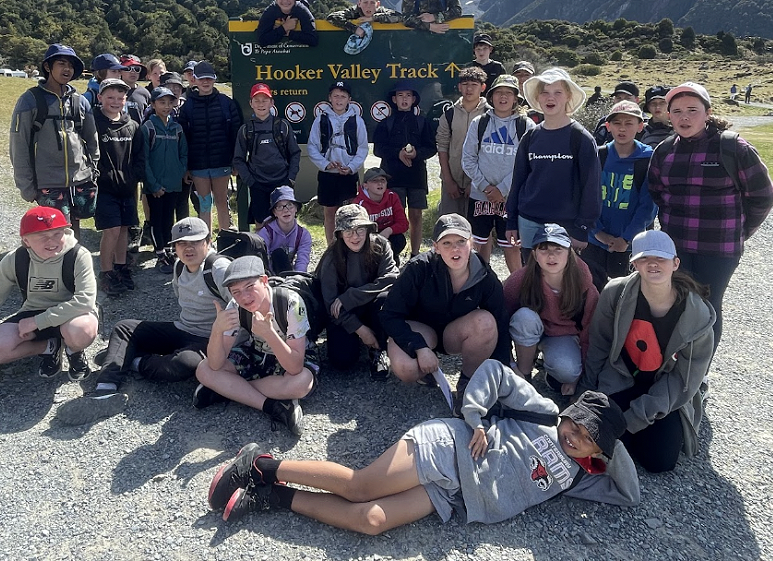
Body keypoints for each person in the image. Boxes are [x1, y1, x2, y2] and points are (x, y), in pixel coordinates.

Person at [207, 362, 638, 530]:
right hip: (447, 448)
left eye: (588, 441)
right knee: (360, 487)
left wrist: (611, 445)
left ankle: (272, 497)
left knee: (370, 521)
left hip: (455, 494)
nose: (575, 438)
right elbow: (495, 372)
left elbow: (629, 493)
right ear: (569, 413)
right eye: (577, 425)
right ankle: (260, 464)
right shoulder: (546, 413)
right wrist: (475, 418)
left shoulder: (580, 476)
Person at [54, 218, 232, 426]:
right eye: (182, 243)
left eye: (195, 242)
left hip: (210, 339)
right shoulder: (179, 267)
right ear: (174, 247)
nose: (188, 248)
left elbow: (241, 308)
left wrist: (228, 346)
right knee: (124, 327)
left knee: (180, 364)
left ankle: (131, 360)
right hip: (184, 328)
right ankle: (105, 389)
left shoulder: (218, 268)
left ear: (208, 242)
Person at [646, 82, 773, 352]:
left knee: (708, 306)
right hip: (677, 247)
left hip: (719, 249)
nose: (684, 117)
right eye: (677, 111)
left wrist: (741, 231)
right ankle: (675, 362)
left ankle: (699, 368)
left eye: (692, 110)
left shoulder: (733, 148)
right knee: (676, 302)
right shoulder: (664, 151)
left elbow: (763, 195)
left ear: (708, 113)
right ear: (669, 115)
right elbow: (657, 193)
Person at [580, 230, 715, 473]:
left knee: (659, 461)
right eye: (644, 258)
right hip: (620, 378)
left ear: (675, 263)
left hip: (664, 388)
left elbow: (683, 379)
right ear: (634, 264)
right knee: (600, 443)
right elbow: (599, 344)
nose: (653, 264)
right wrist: (586, 394)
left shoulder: (698, 316)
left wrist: (634, 418)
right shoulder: (615, 292)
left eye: (660, 258)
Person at [0, 207, 98, 380]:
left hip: (72, 315)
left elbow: (84, 301)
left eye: (57, 234)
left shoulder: (79, 255)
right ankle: (49, 347)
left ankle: (74, 351)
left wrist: (37, 322)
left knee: (81, 329)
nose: (52, 241)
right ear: (26, 240)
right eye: (42, 236)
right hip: (33, 312)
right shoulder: (16, 259)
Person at [380, 214, 507, 405]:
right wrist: (419, 347)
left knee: (486, 322)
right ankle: (426, 371)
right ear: (436, 247)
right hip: (421, 331)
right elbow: (389, 315)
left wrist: (506, 367)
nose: (455, 249)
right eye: (446, 243)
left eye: (461, 241)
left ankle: (468, 382)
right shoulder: (418, 268)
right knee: (406, 369)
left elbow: (501, 319)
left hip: (455, 334)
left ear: (471, 243)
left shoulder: (484, 274)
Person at [194, 256, 318, 436]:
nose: (244, 297)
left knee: (302, 383)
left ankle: (227, 391)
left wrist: (269, 333)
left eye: (250, 287)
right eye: (236, 292)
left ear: (264, 280)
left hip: (291, 356)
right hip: (256, 353)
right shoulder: (235, 306)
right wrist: (217, 330)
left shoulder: (290, 302)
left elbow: (295, 367)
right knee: (204, 369)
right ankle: (273, 406)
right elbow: (215, 364)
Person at [505, 68, 600, 257]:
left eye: (558, 92)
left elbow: (592, 188)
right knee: (531, 273)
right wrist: (511, 221)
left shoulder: (581, 138)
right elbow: (518, 182)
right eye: (545, 92)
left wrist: (582, 228)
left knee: (561, 275)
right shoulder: (530, 137)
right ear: (538, 98)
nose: (550, 98)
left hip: (566, 225)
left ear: (568, 97)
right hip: (529, 221)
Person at [9, 44, 99, 238]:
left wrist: (92, 171)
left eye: (71, 65)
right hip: (47, 181)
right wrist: (26, 186)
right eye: (61, 63)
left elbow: (92, 140)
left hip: (80, 180)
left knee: (74, 229)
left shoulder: (79, 101)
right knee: (57, 232)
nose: (67, 69)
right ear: (47, 67)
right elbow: (19, 145)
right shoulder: (30, 100)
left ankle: (73, 258)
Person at [505, 224, 600, 397]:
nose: (551, 256)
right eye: (544, 249)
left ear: (569, 253)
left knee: (568, 371)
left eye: (558, 249)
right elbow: (500, 321)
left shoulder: (584, 285)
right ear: (534, 254)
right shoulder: (519, 280)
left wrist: (580, 378)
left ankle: (552, 371)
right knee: (524, 317)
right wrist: (509, 363)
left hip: (564, 335)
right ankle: (524, 375)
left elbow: (589, 333)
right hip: (529, 329)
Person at [461, 74, 534, 275]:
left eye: (508, 93)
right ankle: (480, 283)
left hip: (511, 199)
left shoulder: (526, 126)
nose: (503, 97)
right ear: (491, 96)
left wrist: (502, 189)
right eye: (499, 92)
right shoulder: (479, 122)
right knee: (478, 244)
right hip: (480, 196)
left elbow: (529, 164)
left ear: (516, 98)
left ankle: (518, 288)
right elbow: (468, 159)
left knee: (512, 246)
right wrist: (485, 186)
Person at [315, 204, 398, 378]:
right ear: (340, 234)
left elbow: (392, 278)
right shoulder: (331, 258)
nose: (355, 236)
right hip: (344, 313)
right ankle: (361, 339)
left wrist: (350, 296)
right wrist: (360, 330)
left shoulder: (381, 245)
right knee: (342, 361)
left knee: (386, 299)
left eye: (360, 229)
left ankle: (379, 350)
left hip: (372, 305)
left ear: (368, 229)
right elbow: (330, 303)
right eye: (348, 231)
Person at [583, 100, 657, 281]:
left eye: (629, 123)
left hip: (631, 245)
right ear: (608, 126)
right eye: (617, 123)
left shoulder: (648, 160)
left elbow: (648, 206)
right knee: (592, 288)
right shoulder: (598, 156)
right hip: (595, 241)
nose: (622, 128)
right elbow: (586, 198)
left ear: (640, 127)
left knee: (626, 291)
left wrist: (626, 239)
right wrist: (598, 232)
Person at [176, 61, 243, 234]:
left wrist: (235, 161)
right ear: (194, 80)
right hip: (198, 165)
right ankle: (205, 242)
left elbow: (236, 134)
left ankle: (225, 240)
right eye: (201, 79)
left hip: (222, 162)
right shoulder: (188, 106)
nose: (205, 82)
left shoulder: (226, 103)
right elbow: (183, 139)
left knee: (221, 202)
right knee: (205, 204)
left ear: (214, 79)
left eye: (209, 78)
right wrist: (186, 167)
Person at [372, 80, 437, 257]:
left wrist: (416, 153)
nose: (404, 99)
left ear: (414, 99)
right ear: (394, 99)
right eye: (400, 95)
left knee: (416, 215)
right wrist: (397, 153)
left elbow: (431, 148)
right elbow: (378, 149)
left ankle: (415, 253)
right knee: (395, 216)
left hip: (416, 176)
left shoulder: (422, 122)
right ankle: (393, 254)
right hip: (393, 176)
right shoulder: (386, 123)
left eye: (408, 95)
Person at [92, 78, 145, 296]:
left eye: (120, 98)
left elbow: (139, 156)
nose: (115, 102)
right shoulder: (93, 123)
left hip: (127, 187)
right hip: (105, 188)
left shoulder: (132, 125)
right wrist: (100, 176)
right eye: (110, 97)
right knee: (111, 230)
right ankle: (106, 272)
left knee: (124, 228)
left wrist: (135, 176)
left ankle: (121, 268)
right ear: (100, 98)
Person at [307, 81, 369, 245]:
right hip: (328, 174)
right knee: (330, 213)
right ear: (330, 98)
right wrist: (325, 164)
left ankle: (350, 245)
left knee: (350, 212)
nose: (339, 100)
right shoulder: (321, 120)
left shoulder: (357, 121)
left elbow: (363, 148)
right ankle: (331, 247)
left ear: (349, 99)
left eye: (343, 96)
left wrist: (351, 167)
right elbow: (312, 146)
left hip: (348, 174)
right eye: (336, 96)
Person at [232, 83, 300, 228]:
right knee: (261, 224)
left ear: (271, 102)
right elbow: (238, 159)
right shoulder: (246, 129)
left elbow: (295, 153)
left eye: (265, 100)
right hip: (258, 184)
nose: (261, 104)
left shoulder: (282, 126)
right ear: (251, 103)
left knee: (285, 222)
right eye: (256, 100)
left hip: (282, 182)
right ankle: (262, 244)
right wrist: (250, 181)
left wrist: (290, 178)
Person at [141, 86, 189, 273]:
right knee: (157, 220)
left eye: (170, 102)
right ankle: (160, 252)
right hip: (155, 186)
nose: (167, 106)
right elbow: (143, 160)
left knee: (169, 218)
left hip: (173, 184)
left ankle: (170, 250)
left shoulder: (177, 128)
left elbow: (184, 154)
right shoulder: (148, 127)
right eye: (162, 102)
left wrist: (179, 173)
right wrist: (153, 185)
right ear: (153, 104)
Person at [436, 66, 489, 220]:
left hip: (481, 182)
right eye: (465, 84)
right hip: (452, 178)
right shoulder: (449, 114)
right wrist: (448, 180)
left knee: (476, 228)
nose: (469, 89)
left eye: (474, 85)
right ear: (459, 87)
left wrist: (475, 183)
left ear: (483, 87)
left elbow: (491, 152)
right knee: (449, 224)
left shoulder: (490, 115)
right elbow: (442, 147)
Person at [354, 167, 408, 264]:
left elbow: (404, 224)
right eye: (375, 181)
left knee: (399, 240)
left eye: (383, 180)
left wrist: (388, 230)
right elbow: (356, 230)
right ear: (365, 185)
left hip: (386, 234)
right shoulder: (359, 203)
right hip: (368, 237)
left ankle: (392, 259)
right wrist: (374, 238)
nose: (380, 183)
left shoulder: (392, 196)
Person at [257, 186, 312, 273]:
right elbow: (262, 261)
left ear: (296, 208)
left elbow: (302, 260)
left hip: (289, 274)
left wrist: (298, 277)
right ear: (274, 212)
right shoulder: (265, 233)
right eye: (279, 207)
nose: (286, 210)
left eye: (290, 205)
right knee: (278, 253)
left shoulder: (303, 234)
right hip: (268, 274)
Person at [255, 0, 319, 47]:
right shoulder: (271, 11)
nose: (285, 0)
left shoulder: (302, 10)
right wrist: (284, 28)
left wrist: (290, 33)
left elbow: (313, 39)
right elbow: (261, 40)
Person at [326, 0, 403, 39]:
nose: (368, 6)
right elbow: (332, 17)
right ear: (359, 3)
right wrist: (354, 29)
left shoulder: (380, 11)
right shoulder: (355, 11)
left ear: (378, 4)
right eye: (365, 2)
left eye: (372, 3)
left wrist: (373, 18)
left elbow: (399, 17)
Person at [592, 82, 641, 146]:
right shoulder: (605, 121)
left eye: (627, 98)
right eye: (618, 98)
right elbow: (595, 146)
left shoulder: (644, 123)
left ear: (637, 100)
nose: (622, 101)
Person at [120, 54, 151, 123]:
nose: (133, 72)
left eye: (137, 69)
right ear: (120, 71)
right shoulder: (112, 91)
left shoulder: (145, 93)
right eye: (128, 68)